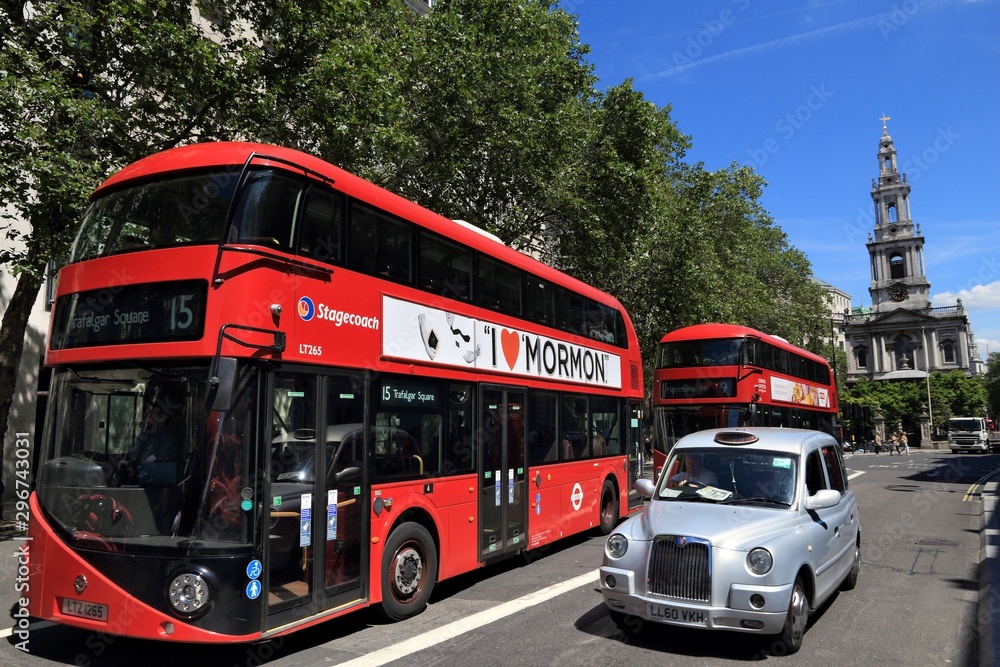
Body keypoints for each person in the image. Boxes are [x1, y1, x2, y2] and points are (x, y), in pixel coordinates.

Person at [122, 383, 183, 485]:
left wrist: (141, 465)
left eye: (152, 414)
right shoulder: (145, 434)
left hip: (158, 484)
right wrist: (129, 463)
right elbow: (133, 454)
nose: (148, 417)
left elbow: (159, 460)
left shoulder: (168, 438)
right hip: (141, 482)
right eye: (147, 413)